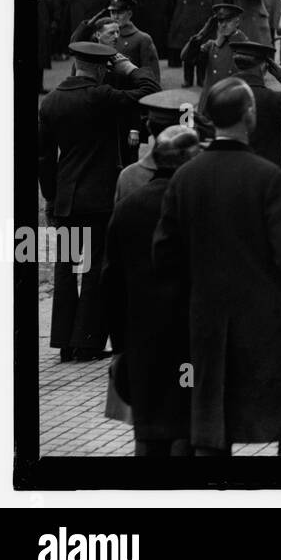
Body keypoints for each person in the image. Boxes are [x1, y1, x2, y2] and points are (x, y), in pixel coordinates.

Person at [153, 77, 281, 455]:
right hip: (269, 323)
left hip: (207, 323)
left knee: (213, 426)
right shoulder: (267, 177)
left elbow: (164, 256)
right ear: (249, 115)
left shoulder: (185, 177)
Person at [38, 42, 161, 362]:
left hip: (66, 196)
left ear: (77, 64)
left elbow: (44, 156)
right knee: (94, 269)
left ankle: (64, 342)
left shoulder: (51, 101)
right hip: (98, 198)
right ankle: (88, 341)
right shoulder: (101, 97)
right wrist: (129, 68)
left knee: (65, 269)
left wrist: (51, 197)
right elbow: (149, 90)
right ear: (99, 67)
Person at [102, 126, 199, 456]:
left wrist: (120, 344)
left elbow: (110, 281)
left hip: (141, 339)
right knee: (184, 426)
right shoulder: (195, 207)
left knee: (147, 428)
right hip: (188, 339)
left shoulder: (126, 207)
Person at [218, 41, 281, 170]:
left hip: (226, 169)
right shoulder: (270, 98)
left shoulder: (220, 92)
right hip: (263, 174)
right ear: (263, 68)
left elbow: (198, 123)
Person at [182, 1, 244, 95]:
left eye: (228, 21)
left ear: (237, 22)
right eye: (220, 21)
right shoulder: (211, 45)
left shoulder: (244, 45)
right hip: (211, 99)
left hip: (232, 99)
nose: (223, 25)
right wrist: (202, 33)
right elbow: (185, 57)